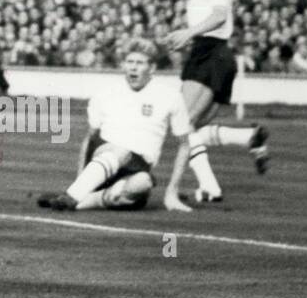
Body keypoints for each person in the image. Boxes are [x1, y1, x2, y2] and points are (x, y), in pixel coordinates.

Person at [162, 0, 268, 203]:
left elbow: (220, 16)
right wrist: (187, 34)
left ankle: (194, 189)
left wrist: (188, 33)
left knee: (182, 125)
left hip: (211, 54)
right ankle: (245, 140)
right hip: (211, 54)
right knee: (189, 127)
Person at [38, 39, 192, 212]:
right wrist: (79, 178)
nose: (133, 67)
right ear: (123, 65)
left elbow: (185, 144)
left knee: (144, 182)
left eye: (140, 63)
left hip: (137, 166)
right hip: (104, 154)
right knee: (121, 152)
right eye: (130, 62)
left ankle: (82, 200)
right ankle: (73, 195)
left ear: (152, 68)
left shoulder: (169, 96)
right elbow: (90, 138)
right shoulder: (106, 93)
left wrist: (172, 191)